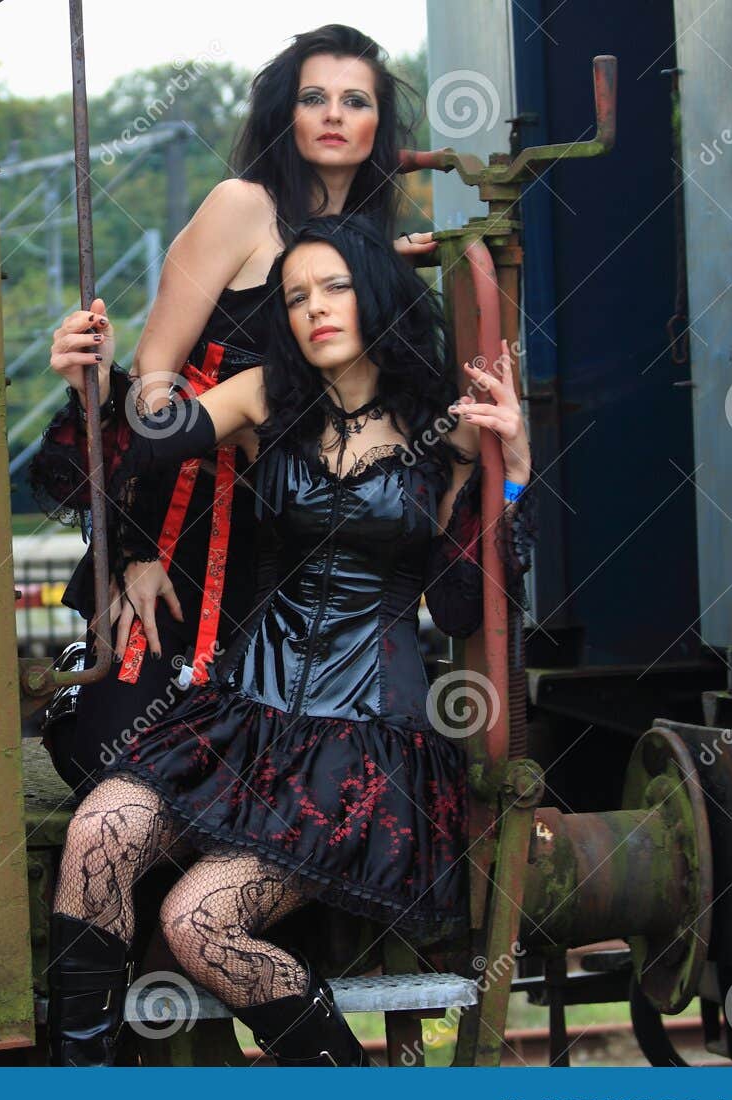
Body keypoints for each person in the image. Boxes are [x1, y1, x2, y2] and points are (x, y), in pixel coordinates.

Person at [44, 213, 539, 1066]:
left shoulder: (444, 426)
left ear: (375, 292)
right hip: (242, 718)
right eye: (297, 295)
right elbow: (134, 451)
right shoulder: (264, 397)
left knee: (198, 921)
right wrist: (92, 382)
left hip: (364, 750)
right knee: (99, 831)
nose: (316, 308)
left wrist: (514, 471)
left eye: (335, 287)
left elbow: (460, 605)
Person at [32, 24, 435, 805]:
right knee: (120, 750)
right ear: (286, 114)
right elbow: (155, 378)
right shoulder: (240, 207)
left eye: (355, 101)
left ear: (377, 125)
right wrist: (139, 549)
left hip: (298, 541)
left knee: (277, 770)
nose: (332, 114)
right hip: (189, 531)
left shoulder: (376, 250)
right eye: (313, 97)